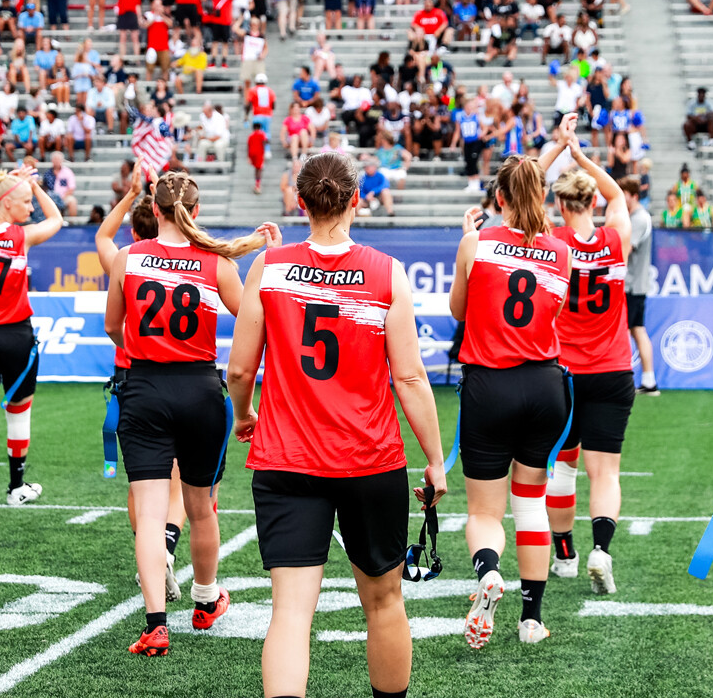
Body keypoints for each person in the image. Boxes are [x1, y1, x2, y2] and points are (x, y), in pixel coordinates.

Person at [227, 151, 447, 696]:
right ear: (357, 200)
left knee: (291, 612)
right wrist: (436, 460)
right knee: (385, 602)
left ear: (300, 202)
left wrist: (245, 413)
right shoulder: (386, 271)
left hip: (287, 459)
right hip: (369, 459)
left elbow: (239, 369)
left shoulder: (268, 267)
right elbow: (410, 378)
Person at [104, 172, 278, 657]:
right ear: (196, 211)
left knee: (151, 514)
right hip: (200, 391)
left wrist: (144, 351)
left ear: (153, 209)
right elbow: (254, 324)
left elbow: (113, 327)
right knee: (201, 507)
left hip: (143, 388)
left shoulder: (126, 257)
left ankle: (156, 624)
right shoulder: (216, 262)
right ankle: (205, 600)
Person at [448, 118, 575, 648]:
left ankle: (488, 572)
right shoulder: (562, 252)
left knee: (484, 511)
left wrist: (468, 242)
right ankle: (531, 620)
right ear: (542, 196)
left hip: (489, 385)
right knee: (531, 504)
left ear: (497, 197)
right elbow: (553, 313)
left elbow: (459, 311)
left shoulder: (476, 243)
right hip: (544, 386)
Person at [543, 120, 634, 596]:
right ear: (592, 201)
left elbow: (521, 196)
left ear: (561, 205)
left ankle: (565, 555)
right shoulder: (616, 239)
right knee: (606, 471)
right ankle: (601, 549)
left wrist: (560, 148)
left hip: (563, 372)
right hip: (613, 369)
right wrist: (581, 157)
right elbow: (617, 194)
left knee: (563, 467)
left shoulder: (552, 243)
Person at [96, 164, 191, 601]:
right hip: (182, 374)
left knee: (142, 482)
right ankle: (167, 549)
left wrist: (131, 192)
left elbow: (102, 236)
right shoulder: (197, 259)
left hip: (133, 377)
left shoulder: (126, 259)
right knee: (178, 479)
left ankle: (149, 553)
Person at [0, 167, 64, 516]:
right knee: (19, 412)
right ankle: (16, 487)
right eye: (25, 202)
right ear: (7, 202)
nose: (30, 207)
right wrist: (34, 186)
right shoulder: (22, 237)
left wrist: (14, 185)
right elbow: (56, 218)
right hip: (16, 335)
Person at [620, 177, 657, 394]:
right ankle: (648, 380)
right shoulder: (637, 217)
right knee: (636, 329)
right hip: (635, 284)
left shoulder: (639, 219)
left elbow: (625, 249)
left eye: (623, 194)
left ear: (633, 196)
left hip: (631, 285)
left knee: (628, 331)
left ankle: (627, 378)